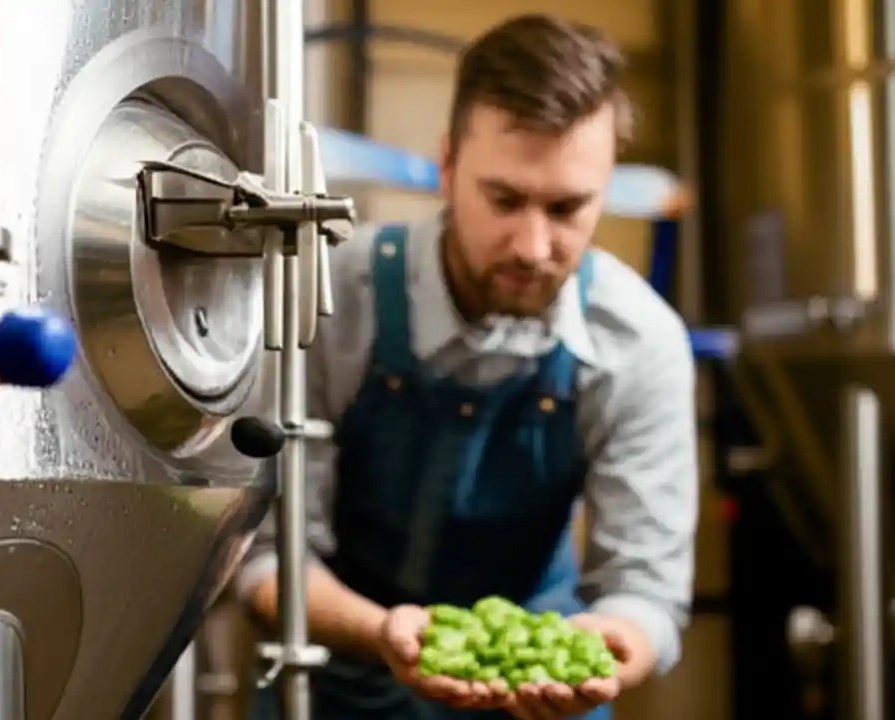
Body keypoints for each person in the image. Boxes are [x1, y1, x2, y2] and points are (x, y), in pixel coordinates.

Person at [237, 13, 699, 720]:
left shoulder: (640, 342)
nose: (532, 244)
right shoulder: (331, 299)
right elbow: (264, 558)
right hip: (337, 687)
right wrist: (379, 632)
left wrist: (606, 645)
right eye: (505, 199)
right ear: (449, 167)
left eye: (569, 207)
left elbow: (647, 591)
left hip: (541, 691)